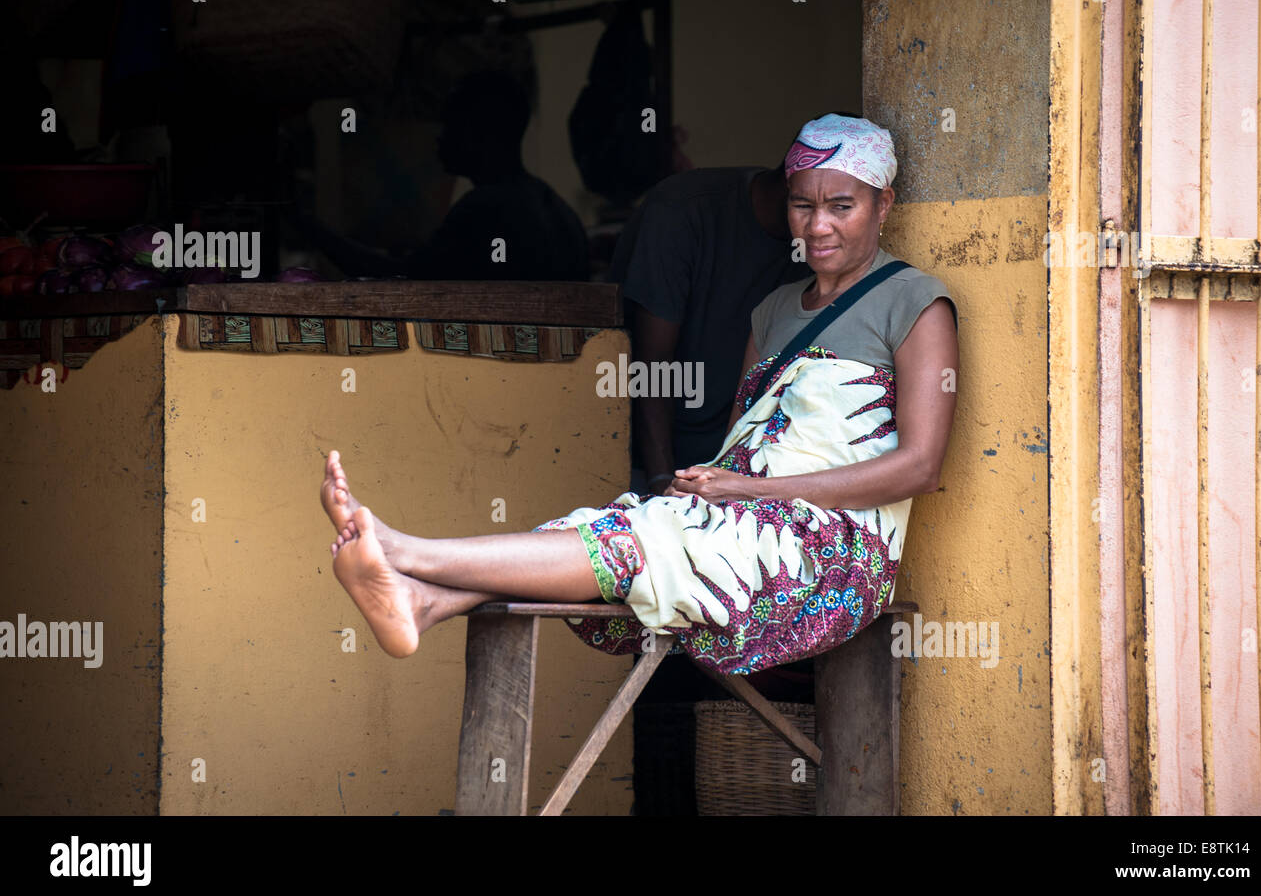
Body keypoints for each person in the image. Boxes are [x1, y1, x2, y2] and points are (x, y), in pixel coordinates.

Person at [319, 113, 959, 675]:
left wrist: (748, 491)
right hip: (750, 523)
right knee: (602, 528)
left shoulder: (914, 303)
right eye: (802, 205)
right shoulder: (771, 311)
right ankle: (424, 601)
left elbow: (921, 468)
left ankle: (407, 551)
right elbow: (743, 445)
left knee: (636, 546)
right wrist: (703, 485)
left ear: (883, 205)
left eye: (841, 206)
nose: (817, 225)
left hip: (833, 561)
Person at [611, 162, 806, 496]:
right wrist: (661, 484)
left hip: (745, 470)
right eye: (810, 204)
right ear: (791, 187)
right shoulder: (683, 210)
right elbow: (654, 363)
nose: (824, 224)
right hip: (646, 459)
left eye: (841, 207)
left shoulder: (821, 251)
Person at [292, 70, 590, 282]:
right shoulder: (554, 207)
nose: (440, 138)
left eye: (450, 125)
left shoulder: (486, 207)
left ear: (482, 133)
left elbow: (402, 278)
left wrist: (304, 223)